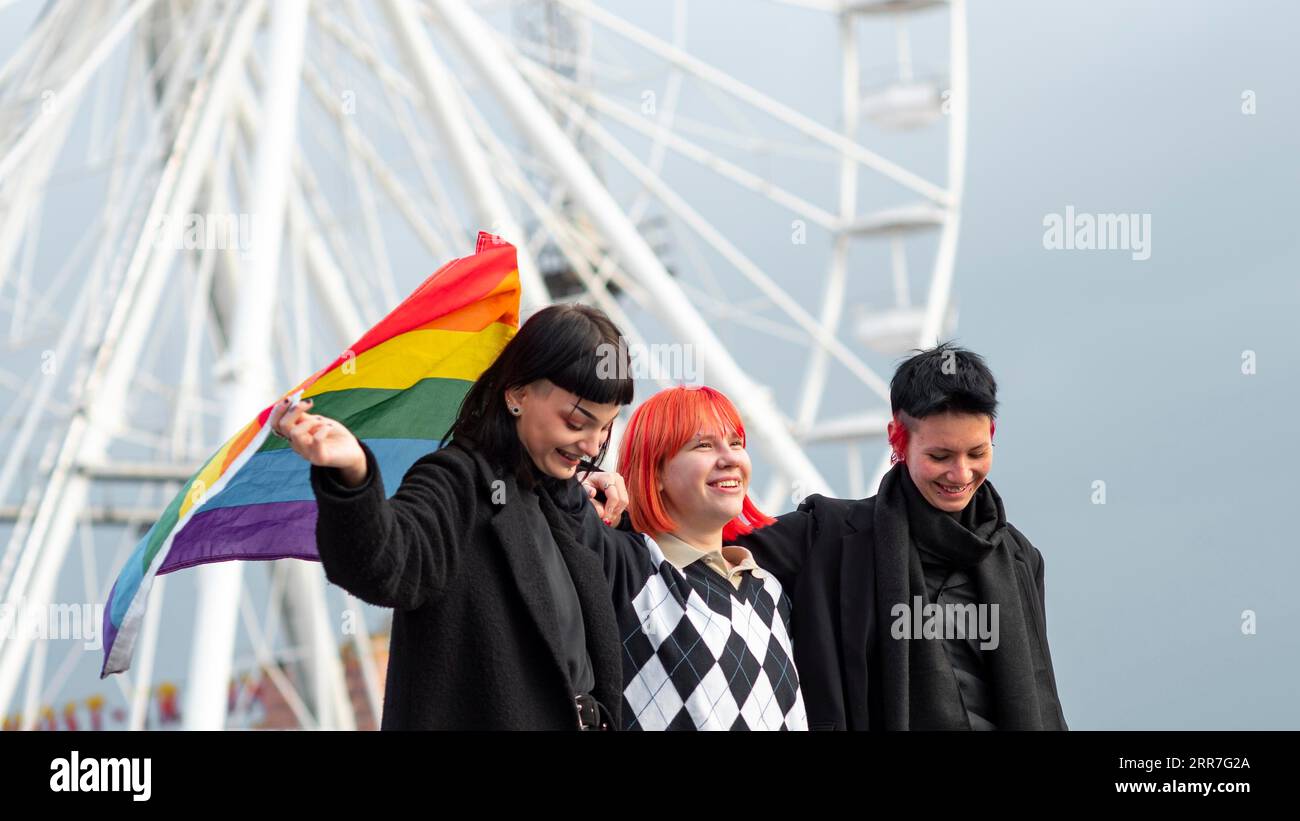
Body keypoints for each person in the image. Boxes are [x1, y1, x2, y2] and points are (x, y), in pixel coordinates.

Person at [271, 303, 634, 730]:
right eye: (577, 421)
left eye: (606, 427)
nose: (592, 446)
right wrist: (353, 475)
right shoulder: (457, 480)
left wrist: (627, 513)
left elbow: (646, 587)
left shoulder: (566, 505)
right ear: (517, 394)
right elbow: (386, 563)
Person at [722, 344, 1066, 729]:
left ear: (993, 433)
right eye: (940, 456)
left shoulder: (1020, 558)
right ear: (897, 438)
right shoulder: (825, 538)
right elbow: (699, 540)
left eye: (977, 452)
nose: (961, 473)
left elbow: (1040, 693)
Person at [562, 385, 807, 730]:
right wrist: (581, 482)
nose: (730, 458)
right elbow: (544, 506)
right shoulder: (627, 570)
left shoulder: (771, 591)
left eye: (736, 443)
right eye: (703, 445)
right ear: (656, 471)